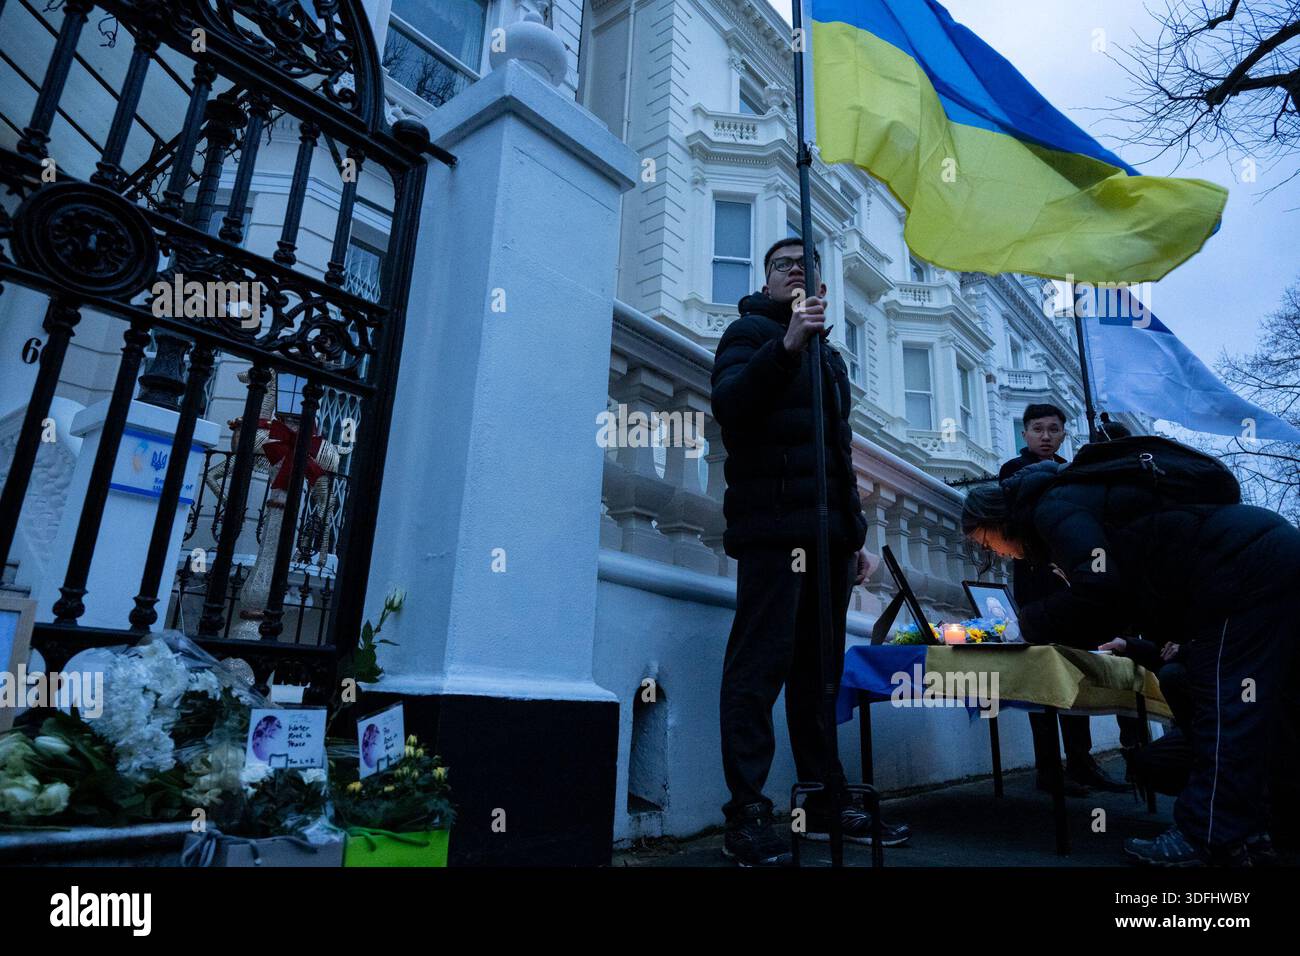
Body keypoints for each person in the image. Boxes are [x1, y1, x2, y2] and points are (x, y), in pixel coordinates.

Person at [961, 450, 1300, 865]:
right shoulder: (1071, 499)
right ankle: (1264, 828)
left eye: (986, 541)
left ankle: (1207, 834)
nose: (996, 552)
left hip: (1241, 573)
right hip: (1265, 557)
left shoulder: (1054, 508)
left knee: (1226, 705)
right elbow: (1122, 584)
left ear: (1000, 521)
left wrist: (1026, 625)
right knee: (1267, 706)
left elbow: (1097, 590)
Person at [711, 237, 911, 866]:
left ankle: (823, 801)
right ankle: (745, 814)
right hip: (773, 531)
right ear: (767, 279)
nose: (795, 270)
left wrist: (853, 535)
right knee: (757, 668)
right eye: (783, 264)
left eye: (805, 264)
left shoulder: (832, 360)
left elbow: (837, 455)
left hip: (827, 541)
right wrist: (787, 344)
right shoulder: (746, 332)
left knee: (819, 677)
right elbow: (731, 408)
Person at [996, 404, 1127, 796]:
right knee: (1040, 674)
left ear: (1064, 434)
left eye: (1054, 429)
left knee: (1075, 671)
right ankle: (1048, 769)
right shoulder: (1012, 472)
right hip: (1036, 581)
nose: (1046, 436)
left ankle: (1082, 761)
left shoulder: (1075, 473)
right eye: (1038, 429)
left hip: (1073, 584)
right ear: (1025, 434)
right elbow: (1015, 523)